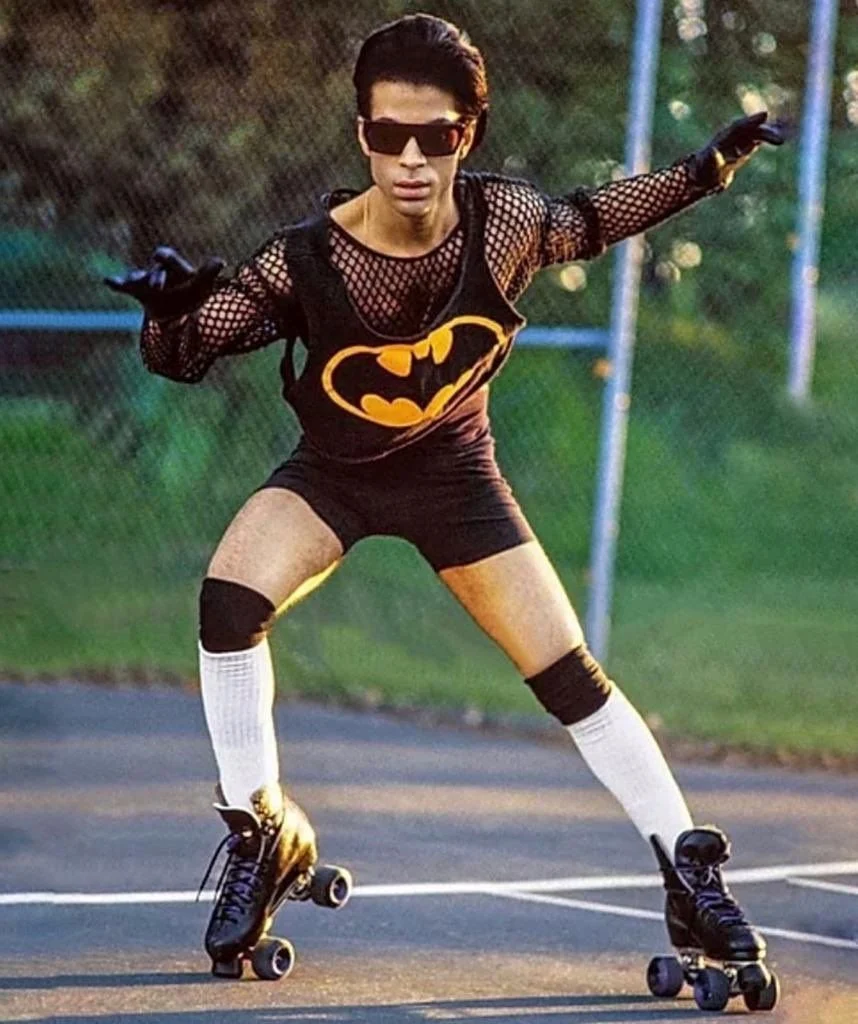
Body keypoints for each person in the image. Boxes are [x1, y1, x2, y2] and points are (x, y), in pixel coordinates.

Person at [106, 14, 784, 984]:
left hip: (455, 477)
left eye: (440, 137)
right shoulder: (307, 259)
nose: (413, 160)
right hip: (335, 473)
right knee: (229, 596)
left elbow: (595, 217)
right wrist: (167, 313)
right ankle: (264, 827)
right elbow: (183, 358)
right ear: (361, 135)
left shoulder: (503, 222)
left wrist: (704, 171)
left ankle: (687, 869)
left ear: (470, 133)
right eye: (390, 135)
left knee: (567, 671)